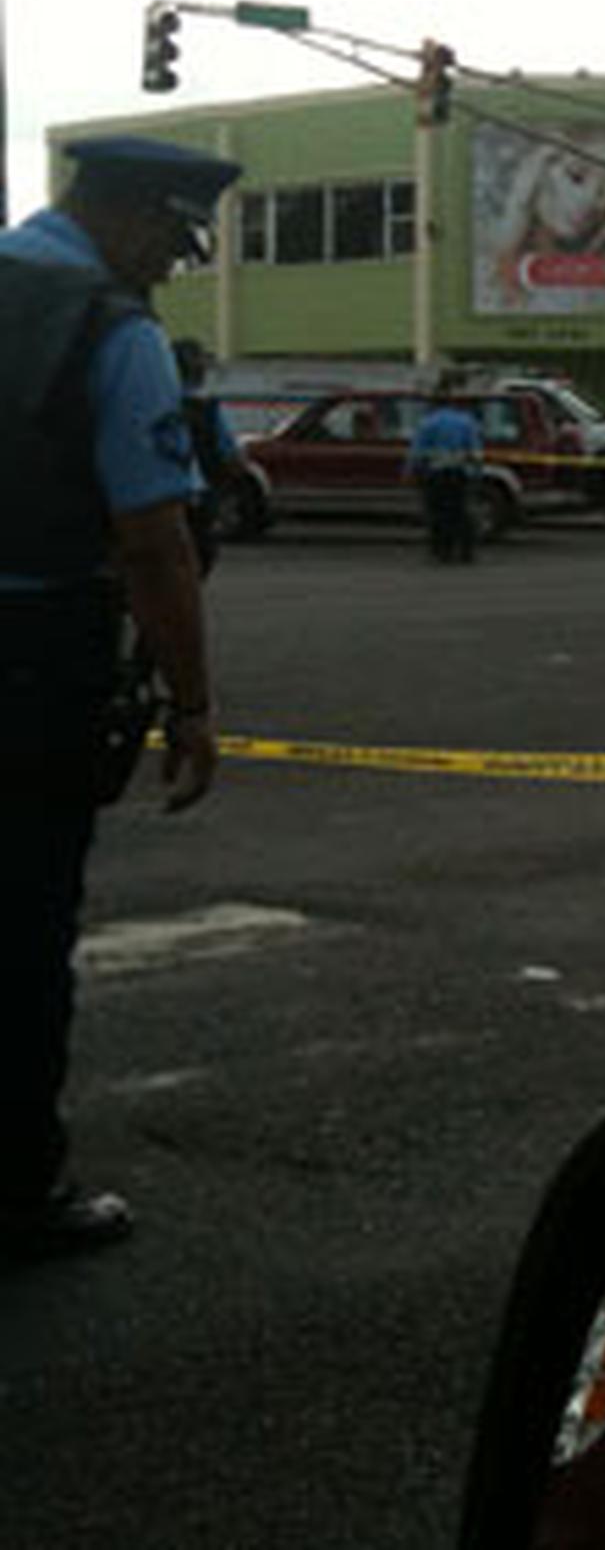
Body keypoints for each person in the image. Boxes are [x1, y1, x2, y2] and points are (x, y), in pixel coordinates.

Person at [0, 135, 232, 1260]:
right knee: (23, 927)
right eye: (174, 241)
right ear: (133, 215)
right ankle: (17, 1185)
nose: (172, 267)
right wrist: (192, 706)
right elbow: (155, 544)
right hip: (29, 660)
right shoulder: (110, 330)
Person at [168, 337, 244, 572]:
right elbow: (231, 458)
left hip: (161, 501)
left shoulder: (156, 408)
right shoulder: (209, 410)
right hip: (200, 501)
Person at [408, 385, 486, 564]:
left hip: (436, 473)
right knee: (461, 512)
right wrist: (476, 471)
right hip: (459, 473)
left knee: (437, 513)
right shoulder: (466, 421)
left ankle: (442, 551)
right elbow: (475, 451)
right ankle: (466, 551)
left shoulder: (428, 423)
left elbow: (418, 452)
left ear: (434, 404)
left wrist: (410, 470)